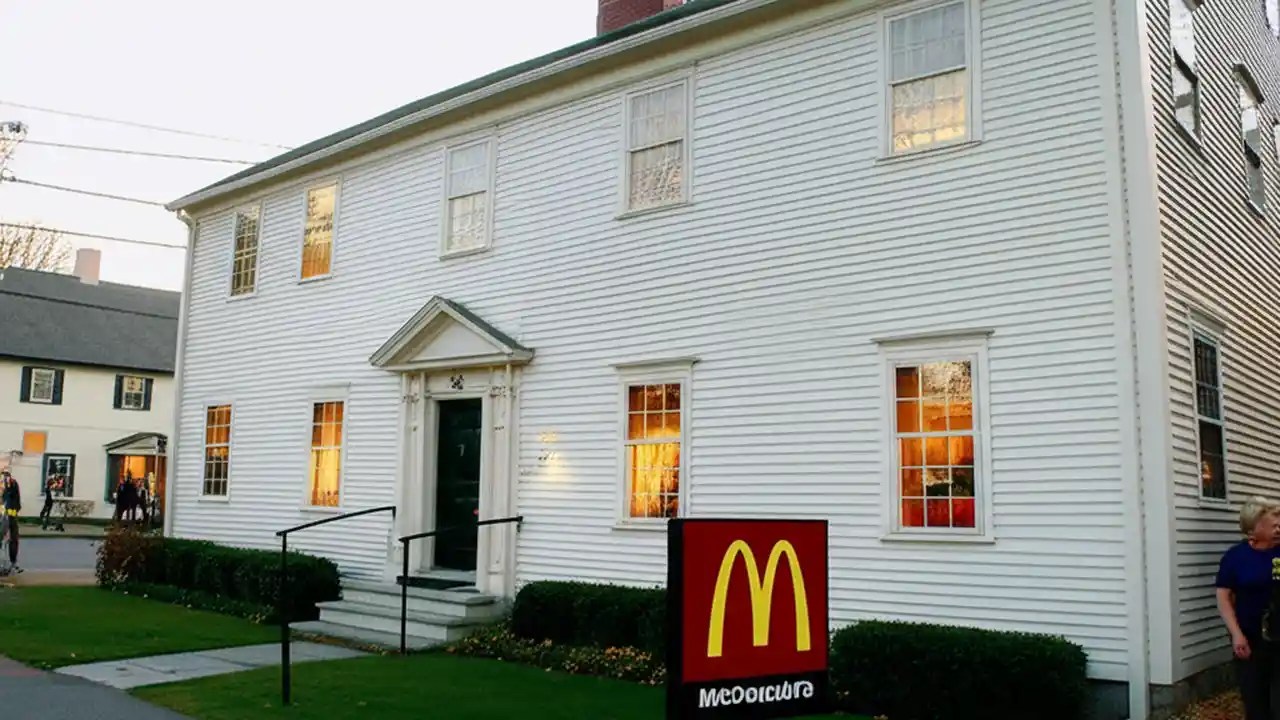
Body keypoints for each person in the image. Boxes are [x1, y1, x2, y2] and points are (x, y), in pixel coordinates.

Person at [1216, 496, 1280, 719]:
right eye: (1273, 526)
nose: (1278, 529)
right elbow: (1224, 596)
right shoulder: (1236, 558)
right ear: (1253, 529)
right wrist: (1236, 635)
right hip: (1250, 638)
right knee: (1255, 701)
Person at [1, 471, 22, 575]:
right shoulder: (11, 483)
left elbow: (16, 502)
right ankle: (9, 564)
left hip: (8, 517)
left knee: (11, 540)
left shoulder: (12, 484)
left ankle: (10, 564)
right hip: (7, 516)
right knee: (10, 540)